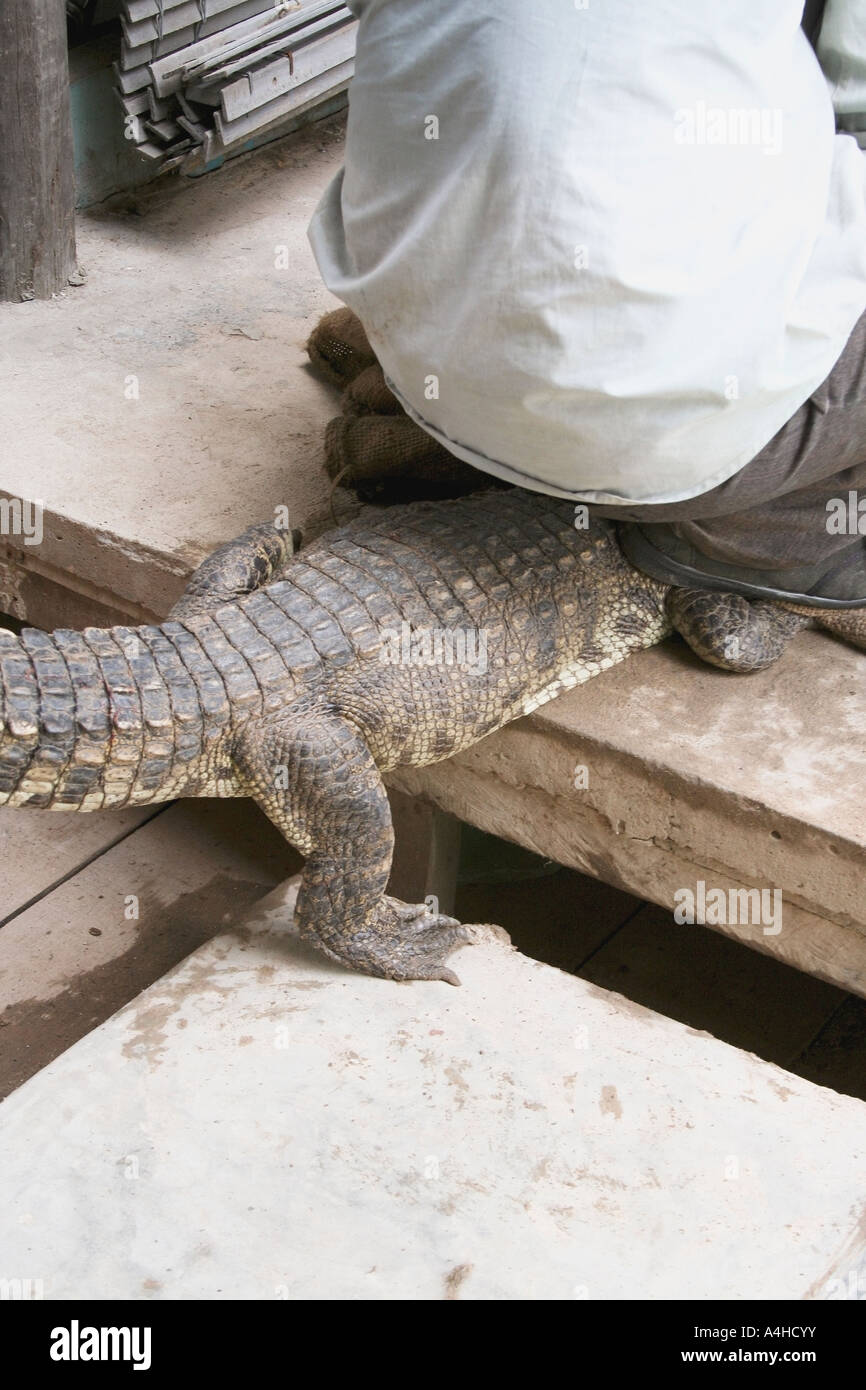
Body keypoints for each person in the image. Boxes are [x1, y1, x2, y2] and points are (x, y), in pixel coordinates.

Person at [308, 0, 866, 607]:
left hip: (416, 324)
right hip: (642, 440)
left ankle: (505, 393)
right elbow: (855, 100)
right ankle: (769, 533)